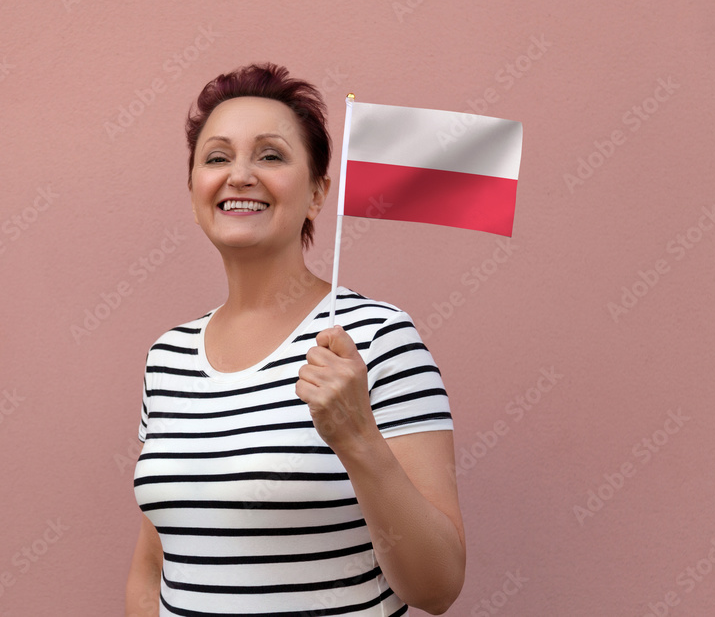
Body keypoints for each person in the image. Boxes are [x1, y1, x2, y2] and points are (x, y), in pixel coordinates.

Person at [125, 63, 466, 616]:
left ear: (316, 193)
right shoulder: (167, 357)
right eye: (216, 157)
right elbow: (152, 567)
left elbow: (438, 587)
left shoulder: (377, 338)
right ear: (193, 191)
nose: (239, 175)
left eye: (271, 155)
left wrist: (357, 439)